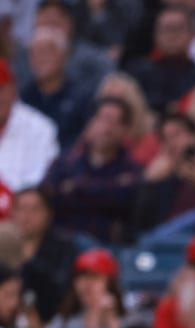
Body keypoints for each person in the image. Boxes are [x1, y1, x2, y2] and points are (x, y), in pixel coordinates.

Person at [40, 96, 142, 245]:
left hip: (106, 247)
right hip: (59, 245)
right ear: (90, 124)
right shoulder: (65, 163)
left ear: (125, 130)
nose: (106, 129)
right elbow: (48, 197)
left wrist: (76, 187)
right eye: (102, 120)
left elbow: (124, 202)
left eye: (114, 122)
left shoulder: (131, 169)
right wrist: (108, 187)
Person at [20, 24, 95, 151]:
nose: (40, 58)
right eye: (35, 53)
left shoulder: (82, 97)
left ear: (64, 56)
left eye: (47, 51)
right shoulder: (24, 95)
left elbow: (85, 141)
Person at [123, 6, 195, 114]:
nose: (171, 35)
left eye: (178, 29)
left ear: (193, 34)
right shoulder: (136, 73)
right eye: (166, 29)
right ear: (155, 35)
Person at [13, 188, 74, 325]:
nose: (26, 216)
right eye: (21, 209)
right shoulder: (4, 245)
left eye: (35, 209)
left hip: (50, 321)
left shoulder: (63, 247)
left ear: (48, 214)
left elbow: (61, 290)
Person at [0, 59, 61, 192]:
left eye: (1, 89)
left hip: (22, 209)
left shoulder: (40, 128)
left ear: (12, 88)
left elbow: (39, 181)